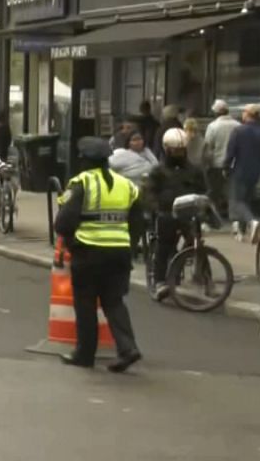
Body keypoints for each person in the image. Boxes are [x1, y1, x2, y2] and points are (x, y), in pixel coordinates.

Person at [53, 137, 144, 372]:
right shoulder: (126, 185)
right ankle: (128, 348)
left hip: (88, 251)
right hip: (119, 254)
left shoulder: (82, 183)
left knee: (85, 304)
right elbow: (138, 222)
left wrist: (72, 243)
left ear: (84, 160)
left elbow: (63, 222)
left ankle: (85, 354)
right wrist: (129, 246)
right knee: (114, 302)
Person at [142, 128, 207, 299]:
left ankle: (206, 279)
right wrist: (155, 207)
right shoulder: (158, 171)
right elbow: (149, 192)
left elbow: (204, 190)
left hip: (188, 214)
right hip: (166, 214)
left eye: (181, 149)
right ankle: (159, 281)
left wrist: (204, 205)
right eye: (174, 150)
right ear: (166, 149)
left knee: (197, 243)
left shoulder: (194, 170)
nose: (178, 153)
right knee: (163, 247)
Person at [224, 104, 260, 242]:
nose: (242, 115)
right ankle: (243, 230)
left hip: (240, 170)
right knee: (246, 200)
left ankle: (251, 221)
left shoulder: (239, 131)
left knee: (237, 200)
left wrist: (225, 167)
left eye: (244, 112)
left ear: (248, 114)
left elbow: (231, 153)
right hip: (256, 172)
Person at [203, 99, 240, 215]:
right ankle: (232, 213)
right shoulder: (238, 125)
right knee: (231, 191)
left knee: (215, 191)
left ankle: (217, 214)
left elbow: (208, 146)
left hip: (216, 164)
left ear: (216, 112)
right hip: (234, 164)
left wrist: (207, 163)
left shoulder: (213, 127)